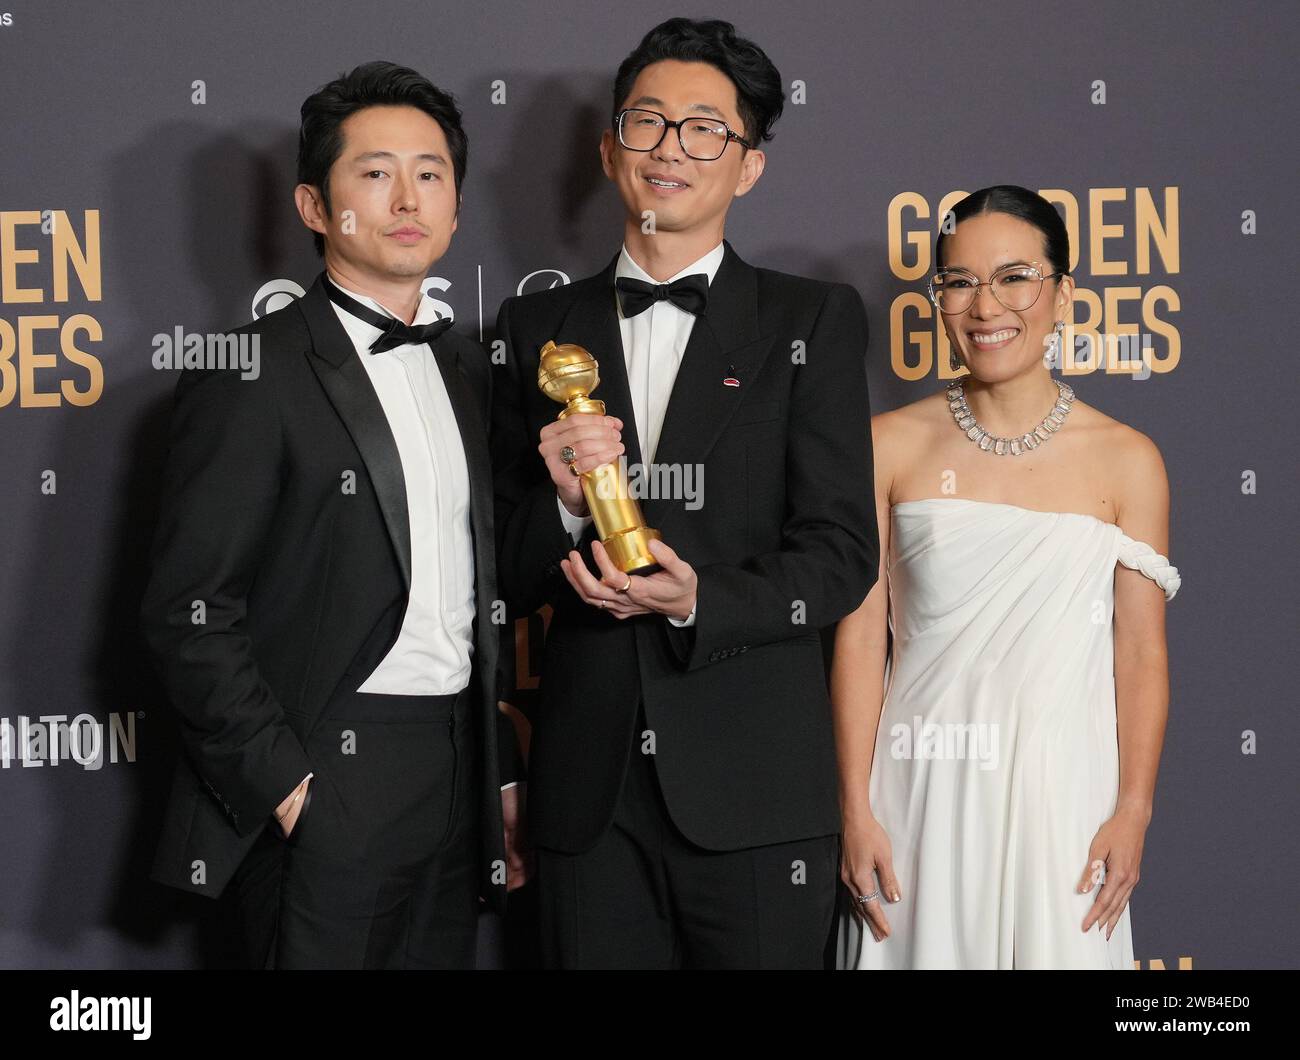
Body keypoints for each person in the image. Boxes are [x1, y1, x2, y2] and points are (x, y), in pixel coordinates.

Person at [491, 18, 876, 968]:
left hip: (756, 794)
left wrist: (701, 597)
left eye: (705, 129)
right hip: (587, 795)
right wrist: (571, 510)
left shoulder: (810, 319)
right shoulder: (535, 325)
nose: (671, 148)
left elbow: (840, 554)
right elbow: (500, 561)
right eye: (647, 122)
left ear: (747, 166)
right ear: (608, 149)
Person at [141, 61, 526, 969]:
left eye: (431, 174)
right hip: (328, 767)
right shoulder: (254, 371)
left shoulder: (471, 370)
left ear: (457, 207)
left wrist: (496, 764)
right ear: (315, 206)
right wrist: (288, 787)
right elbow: (188, 611)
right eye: (375, 172)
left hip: (454, 770)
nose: (407, 198)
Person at [834, 185, 1180, 969]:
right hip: (918, 793)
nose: (985, 305)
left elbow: (1140, 654)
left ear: (1062, 293)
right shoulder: (887, 445)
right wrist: (856, 808)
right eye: (959, 282)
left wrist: (1133, 811)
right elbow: (858, 642)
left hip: (1063, 804)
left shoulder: (1129, 459)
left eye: (1015, 277)